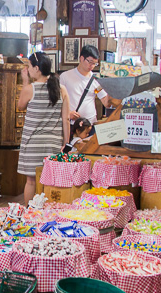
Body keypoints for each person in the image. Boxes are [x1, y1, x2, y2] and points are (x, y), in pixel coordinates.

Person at [17, 52, 70, 203]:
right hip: (53, 144)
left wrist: (25, 81)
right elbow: (66, 119)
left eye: (29, 66)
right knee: (50, 182)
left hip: (32, 144)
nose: (27, 69)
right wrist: (65, 144)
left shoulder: (30, 89)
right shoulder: (62, 89)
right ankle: (48, 217)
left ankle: (29, 215)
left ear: (37, 68)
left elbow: (20, 106)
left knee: (31, 182)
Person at [59, 45, 113, 125]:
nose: (92, 66)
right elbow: (58, 100)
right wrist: (68, 114)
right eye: (90, 62)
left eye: (95, 63)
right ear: (81, 58)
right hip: (71, 123)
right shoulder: (65, 76)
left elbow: (105, 102)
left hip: (89, 125)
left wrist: (111, 88)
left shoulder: (95, 80)